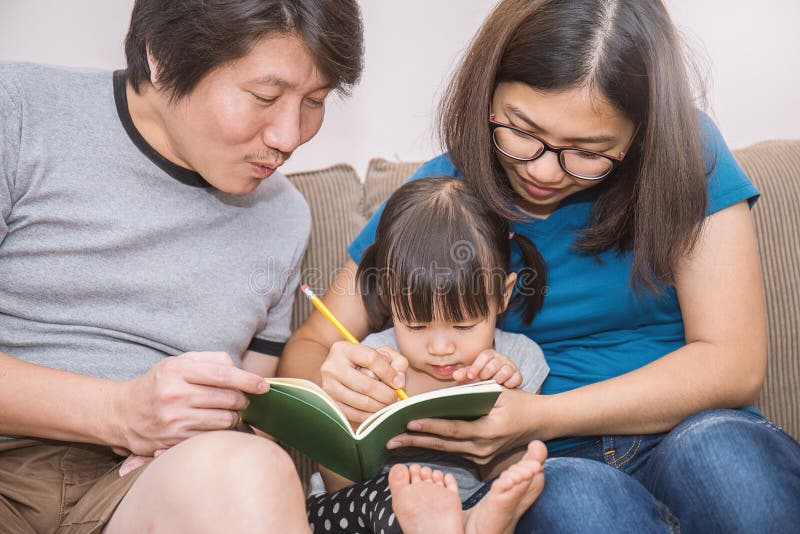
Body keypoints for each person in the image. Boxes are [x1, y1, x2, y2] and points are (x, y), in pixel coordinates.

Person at [280, 0, 800, 531]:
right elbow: (311, 345)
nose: (547, 173)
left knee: (725, 462)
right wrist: (338, 383)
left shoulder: (687, 154)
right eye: (522, 132)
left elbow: (734, 363)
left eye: (588, 151)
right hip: (552, 463)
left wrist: (544, 414)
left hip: (692, 426)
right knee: (576, 504)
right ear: (487, 90)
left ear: (642, 132)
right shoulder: (444, 206)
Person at [0, 0, 365, 532]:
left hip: (149, 484)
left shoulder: (283, 216)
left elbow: (251, 411)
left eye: (314, 100)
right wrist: (121, 411)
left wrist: (333, 404)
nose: (289, 137)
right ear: (164, 58)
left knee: (254, 471)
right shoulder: (19, 112)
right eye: (266, 96)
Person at [306, 177, 550, 533]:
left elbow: (503, 472)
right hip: (363, 508)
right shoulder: (372, 360)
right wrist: (348, 423)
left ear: (504, 295)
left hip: (470, 504)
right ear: (390, 299)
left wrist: (503, 402)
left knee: (522, 493)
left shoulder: (519, 362)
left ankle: (467, 523)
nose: (439, 348)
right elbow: (338, 480)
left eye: (464, 325)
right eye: (417, 327)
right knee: (384, 500)